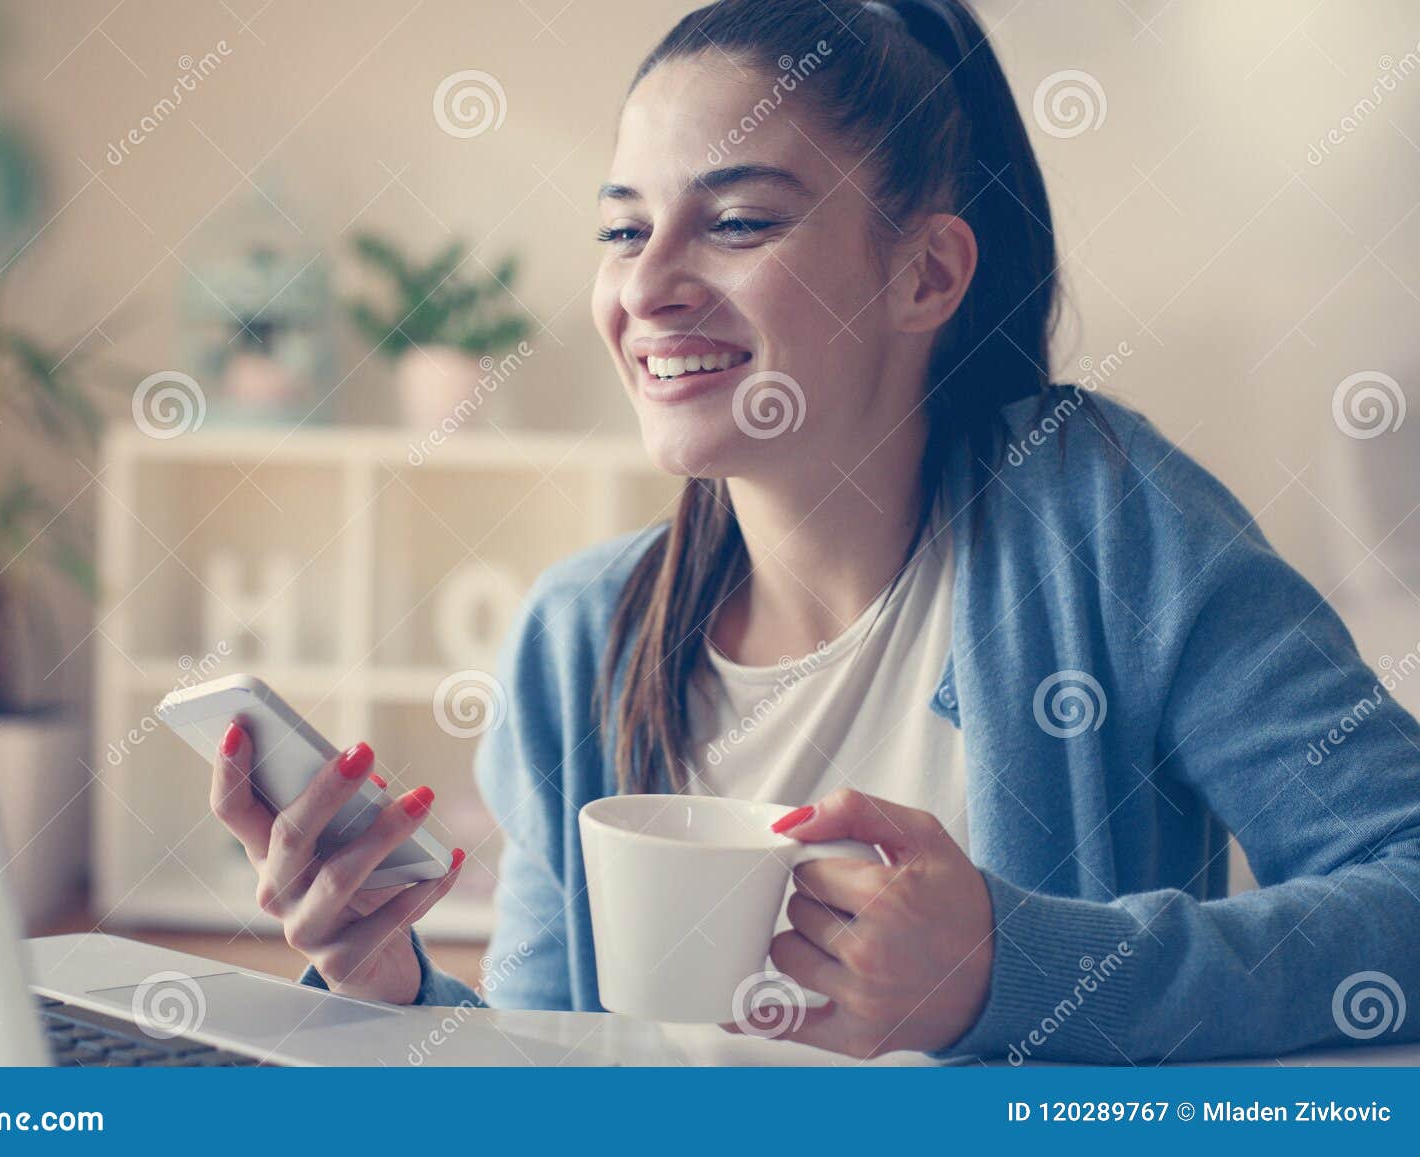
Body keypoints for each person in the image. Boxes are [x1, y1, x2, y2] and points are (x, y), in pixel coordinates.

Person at [210, 0, 1420, 1063]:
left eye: (735, 223)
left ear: (928, 275)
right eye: (625, 228)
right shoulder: (579, 635)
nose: (647, 286)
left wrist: (1018, 969)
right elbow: (547, 1064)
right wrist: (383, 990)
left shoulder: (1101, 524)